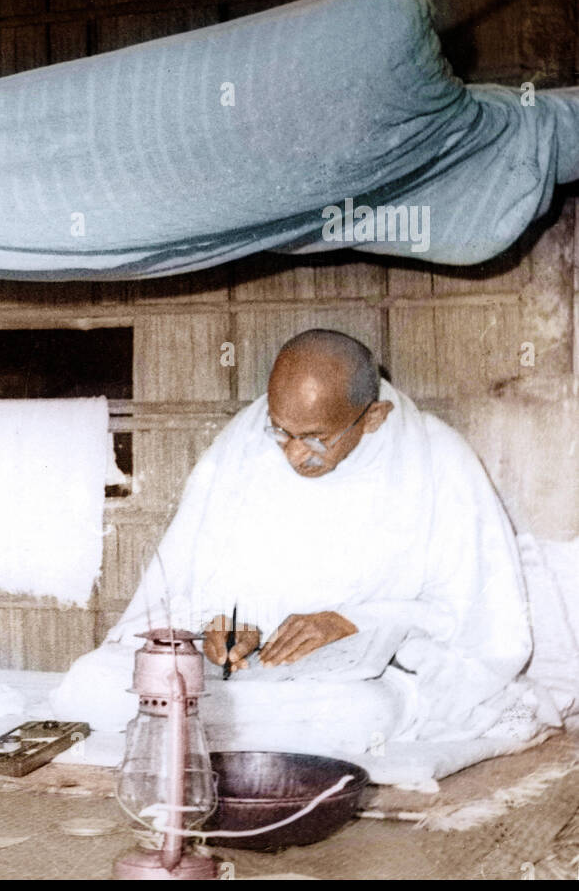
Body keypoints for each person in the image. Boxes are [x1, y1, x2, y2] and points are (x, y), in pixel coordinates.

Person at [52, 329, 563, 767]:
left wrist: (351, 622)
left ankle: (227, 727)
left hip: (352, 683)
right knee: (90, 683)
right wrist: (220, 625)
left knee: (362, 716)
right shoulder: (247, 440)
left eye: (315, 438)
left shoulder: (436, 459)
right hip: (236, 678)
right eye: (282, 431)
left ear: (374, 416)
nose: (295, 453)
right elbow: (179, 584)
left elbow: (475, 622)